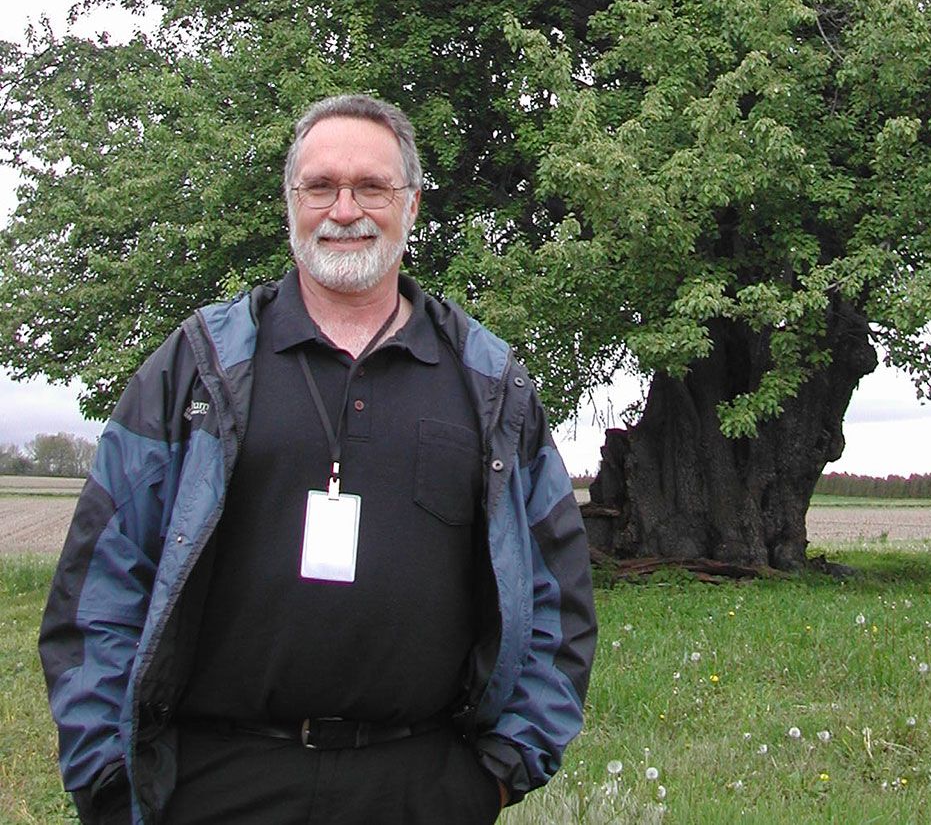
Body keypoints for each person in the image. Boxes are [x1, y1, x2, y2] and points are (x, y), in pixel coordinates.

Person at [40, 94, 597, 825]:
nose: (345, 209)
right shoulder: (199, 366)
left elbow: (558, 596)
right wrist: (111, 785)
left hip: (421, 787)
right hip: (213, 783)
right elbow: (98, 589)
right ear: (290, 202)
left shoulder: (490, 384)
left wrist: (491, 778)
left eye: (371, 187)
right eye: (321, 187)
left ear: (413, 205)